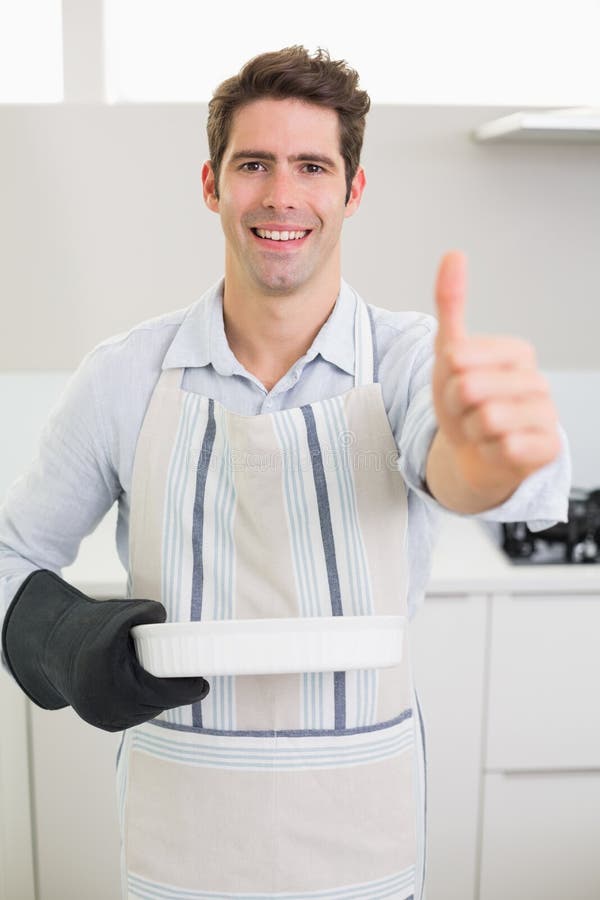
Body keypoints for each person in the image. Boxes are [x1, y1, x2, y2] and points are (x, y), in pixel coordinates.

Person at [0, 45, 569, 900]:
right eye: (254, 164)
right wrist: (63, 640)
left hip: (360, 846)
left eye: (312, 166)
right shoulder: (123, 377)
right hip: (177, 848)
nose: (282, 195)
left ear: (353, 191)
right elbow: (12, 557)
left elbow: (453, 465)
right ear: (211, 184)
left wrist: (483, 463)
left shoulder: (408, 363)